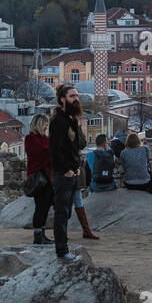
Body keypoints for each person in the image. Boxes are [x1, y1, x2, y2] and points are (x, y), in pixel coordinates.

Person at [48, 85, 83, 261]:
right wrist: (67, 170)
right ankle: (62, 251)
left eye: (76, 95)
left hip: (72, 173)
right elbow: (54, 151)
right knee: (61, 214)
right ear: (63, 99)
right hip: (63, 175)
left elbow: (77, 146)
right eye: (72, 96)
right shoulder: (57, 122)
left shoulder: (71, 120)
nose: (76, 99)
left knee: (66, 213)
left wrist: (76, 167)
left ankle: (63, 247)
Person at [25, 112, 54, 245]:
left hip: (48, 177)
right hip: (38, 177)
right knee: (40, 207)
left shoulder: (46, 139)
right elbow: (37, 153)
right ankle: (37, 235)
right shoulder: (30, 138)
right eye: (44, 125)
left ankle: (42, 234)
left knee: (46, 206)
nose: (46, 128)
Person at [70, 126, 100, 240]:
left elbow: (82, 144)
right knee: (65, 202)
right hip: (64, 168)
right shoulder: (59, 126)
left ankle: (86, 230)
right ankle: (62, 232)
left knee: (78, 199)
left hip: (74, 165)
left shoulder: (75, 126)